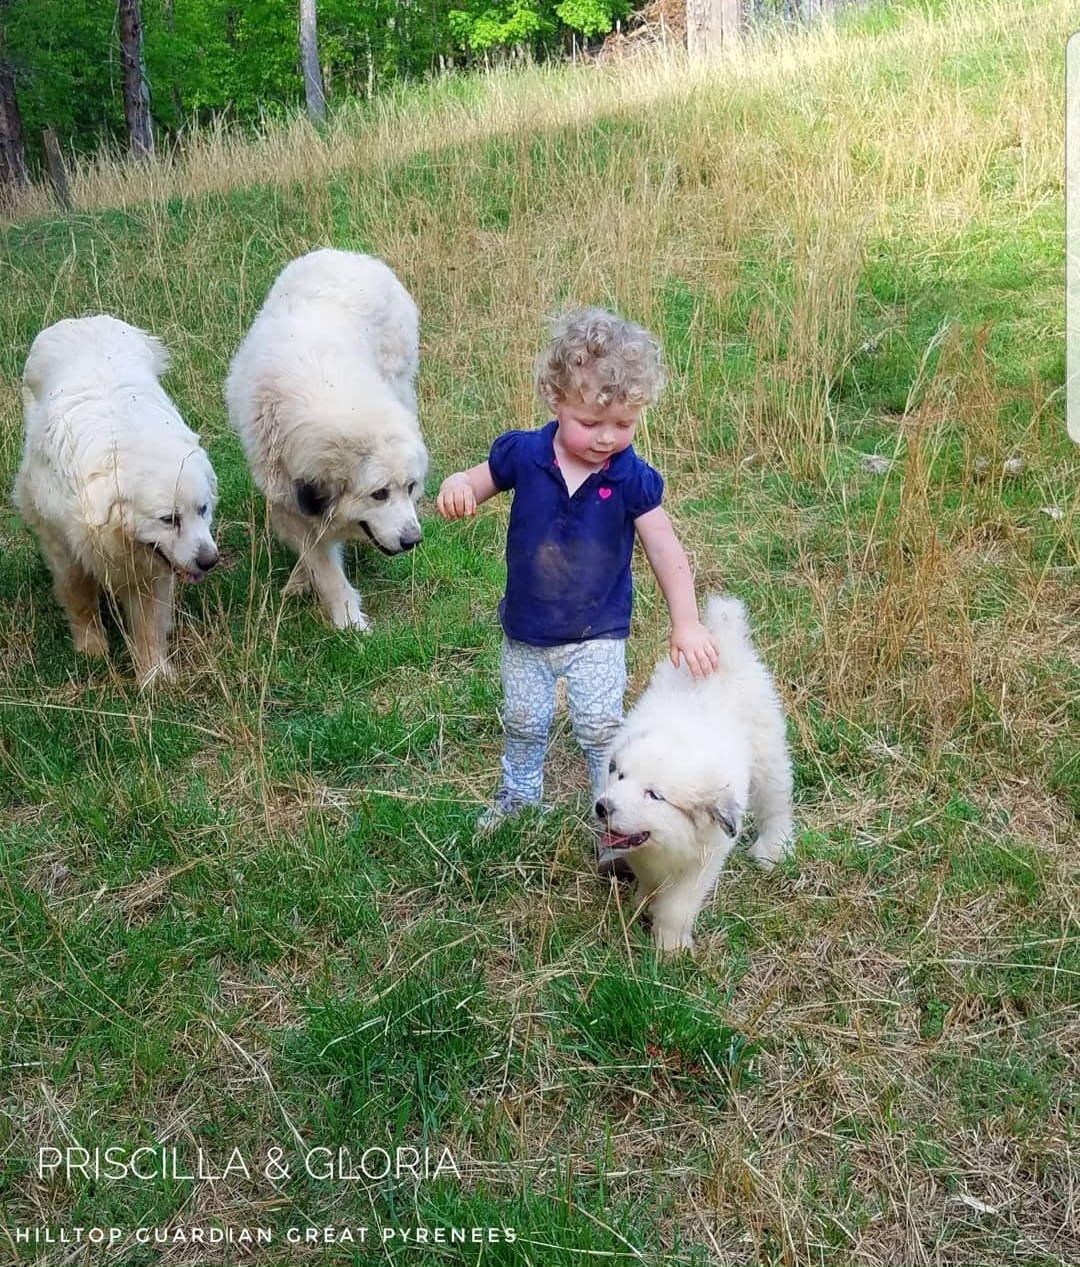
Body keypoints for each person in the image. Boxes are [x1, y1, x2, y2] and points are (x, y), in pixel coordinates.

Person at [436, 307, 720, 842]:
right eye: (590, 422)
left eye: (624, 424)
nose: (607, 437)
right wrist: (458, 488)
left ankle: (610, 811)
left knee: (600, 729)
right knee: (523, 720)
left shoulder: (631, 477)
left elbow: (664, 548)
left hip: (600, 633)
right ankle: (520, 795)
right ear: (555, 398)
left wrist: (686, 621)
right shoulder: (525, 454)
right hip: (527, 629)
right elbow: (477, 479)